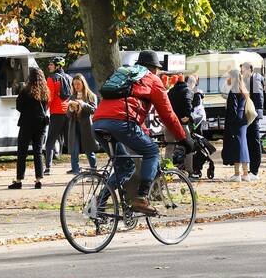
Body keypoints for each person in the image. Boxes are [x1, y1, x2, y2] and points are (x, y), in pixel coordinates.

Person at [92, 51, 189, 214]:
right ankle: (141, 198)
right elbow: (167, 114)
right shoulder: (152, 80)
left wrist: (146, 134)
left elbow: (133, 115)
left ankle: (98, 203)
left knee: (125, 166)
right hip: (122, 123)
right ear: (154, 68)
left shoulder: (125, 75)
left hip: (98, 122)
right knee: (151, 152)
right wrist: (183, 137)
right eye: (157, 69)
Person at [10, 67, 49, 190]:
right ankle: (38, 180)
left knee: (22, 152)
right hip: (41, 123)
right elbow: (46, 106)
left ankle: (19, 180)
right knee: (38, 152)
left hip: (27, 123)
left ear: (30, 77)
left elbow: (19, 106)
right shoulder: (45, 91)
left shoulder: (25, 91)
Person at [43, 59, 72, 175]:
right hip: (68, 112)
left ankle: (48, 168)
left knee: (50, 141)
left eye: (51, 64)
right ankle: (75, 166)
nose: (49, 66)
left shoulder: (51, 79)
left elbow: (49, 98)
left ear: (57, 66)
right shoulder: (69, 78)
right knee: (70, 142)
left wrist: (44, 111)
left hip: (56, 113)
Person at [222, 69, 252, 182]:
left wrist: (229, 122)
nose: (227, 79)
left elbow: (233, 109)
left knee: (237, 147)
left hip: (235, 121)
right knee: (243, 146)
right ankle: (245, 173)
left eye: (228, 77)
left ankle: (237, 174)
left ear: (233, 77)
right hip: (243, 121)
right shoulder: (243, 89)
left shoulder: (233, 90)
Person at [66, 75, 100, 174]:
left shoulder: (91, 95)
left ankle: (94, 172)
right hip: (74, 126)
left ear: (83, 84)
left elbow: (94, 110)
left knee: (89, 150)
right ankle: (76, 173)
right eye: (74, 84)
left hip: (86, 126)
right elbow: (68, 115)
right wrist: (71, 109)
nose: (76, 86)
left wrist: (82, 104)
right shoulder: (72, 96)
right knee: (74, 150)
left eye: (78, 84)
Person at [243, 62, 264, 179]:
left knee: (254, 142)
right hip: (251, 114)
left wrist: (255, 114)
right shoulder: (250, 80)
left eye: (243, 70)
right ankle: (252, 169)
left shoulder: (254, 81)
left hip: (253, 115)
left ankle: (255, 171)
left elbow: (258, 99)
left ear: (249, 69)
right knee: (251, 142)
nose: (242, 72)